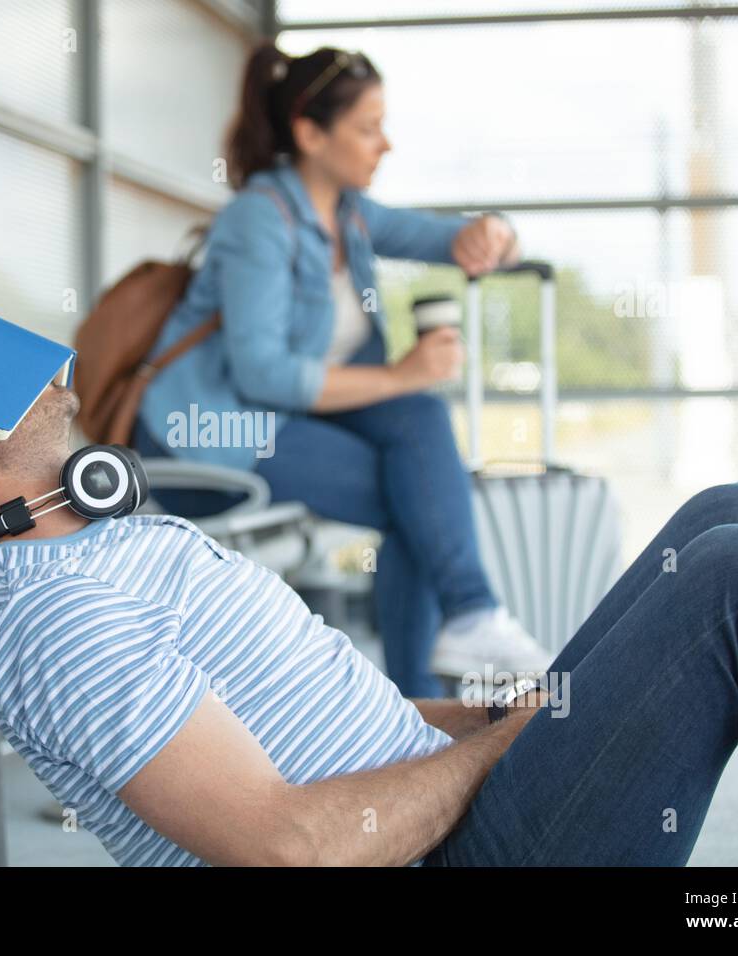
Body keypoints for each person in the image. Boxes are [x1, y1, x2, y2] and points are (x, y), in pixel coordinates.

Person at [0, 305, 738, 866]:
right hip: (448, 854)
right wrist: (496, 745)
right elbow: (286, 844)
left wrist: (487, 716)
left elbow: (334, 718)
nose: (41, 363)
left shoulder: (98, 548)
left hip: (457, 806)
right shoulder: (50, 609)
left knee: (730, 515)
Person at [131, 43, 548, 697]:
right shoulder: (257, 221)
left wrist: (495, 233)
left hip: (283, 420)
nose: (385, 144)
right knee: (416, 497)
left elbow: (446, 237)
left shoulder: (351, 214)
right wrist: (401, 373)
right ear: (309, 133)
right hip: (207, 431)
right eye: (368, 127)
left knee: (420, 422)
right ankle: (425, 695)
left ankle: (466, 626)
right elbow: (263, 373)